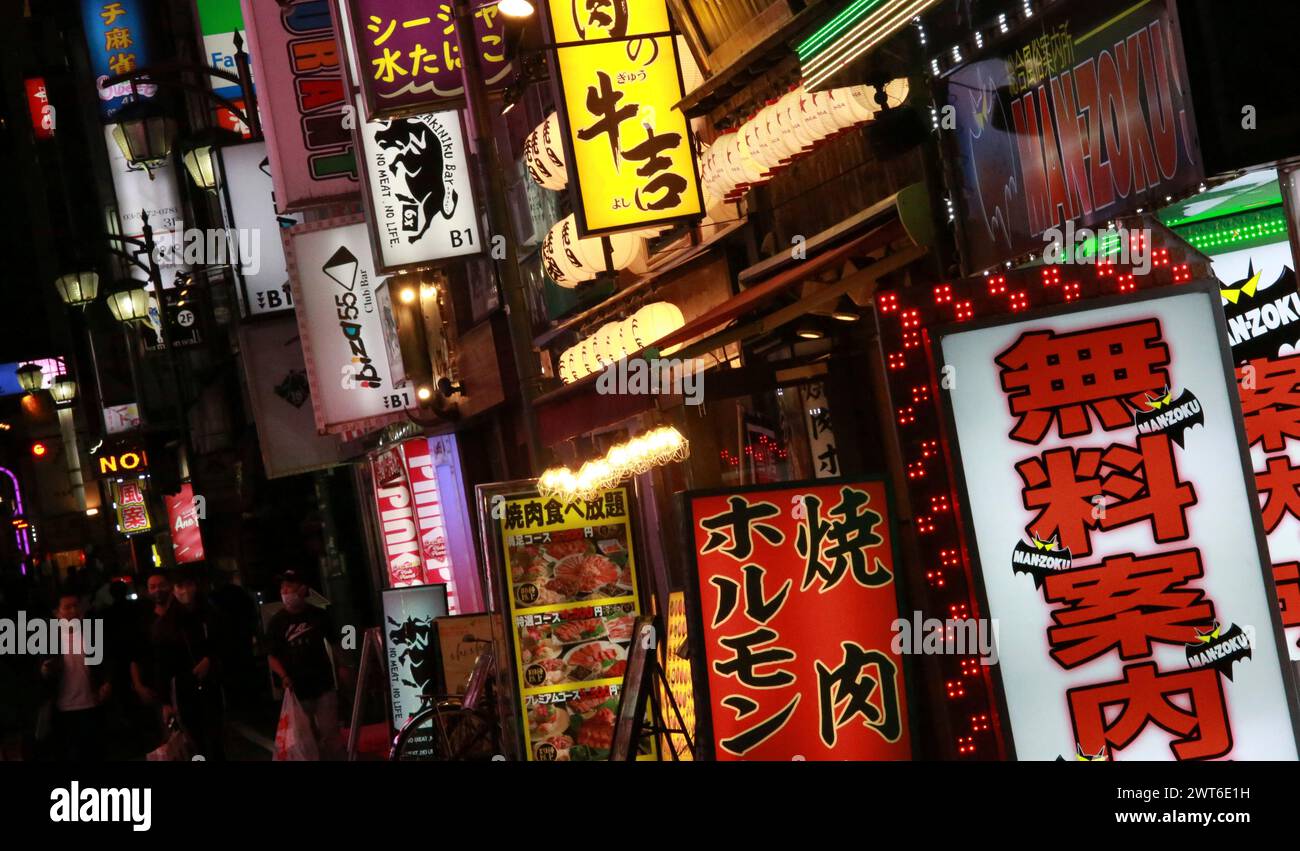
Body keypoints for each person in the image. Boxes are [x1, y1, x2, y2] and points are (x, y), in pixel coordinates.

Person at [267, 570, 346, 760]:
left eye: (290, 586)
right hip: (297, 689)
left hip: (323, 684)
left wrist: (344, 666)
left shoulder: (318, 615)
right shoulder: (277, 622)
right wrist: (283, 676)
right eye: (282, 587)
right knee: (304, 738)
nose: (285, 591)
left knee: (330, 733)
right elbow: (272, 656)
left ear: (303, 589)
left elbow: (336, 643)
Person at [153, 568, 227, 760]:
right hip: (183, 689)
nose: (185, 591)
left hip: (211, 685)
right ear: (174, 590)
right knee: (195, 742)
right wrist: (165, 702)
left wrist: (209, 659)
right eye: (180, 586)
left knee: (216, 739)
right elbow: (161, 665)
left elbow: (223, 642)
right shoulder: (166, 624)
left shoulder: (210, 613)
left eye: (188, 585)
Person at [40, 591, 111, 761]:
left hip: (92, 704)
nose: (74, 611)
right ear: (57, 613)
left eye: (76, 606)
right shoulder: (48, 638)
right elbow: (41, 671)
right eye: (67, 607)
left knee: (95, 752)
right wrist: (45, 670)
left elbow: (106, 663)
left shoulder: (91, 634)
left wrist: (107, 682)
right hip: (63, 709)